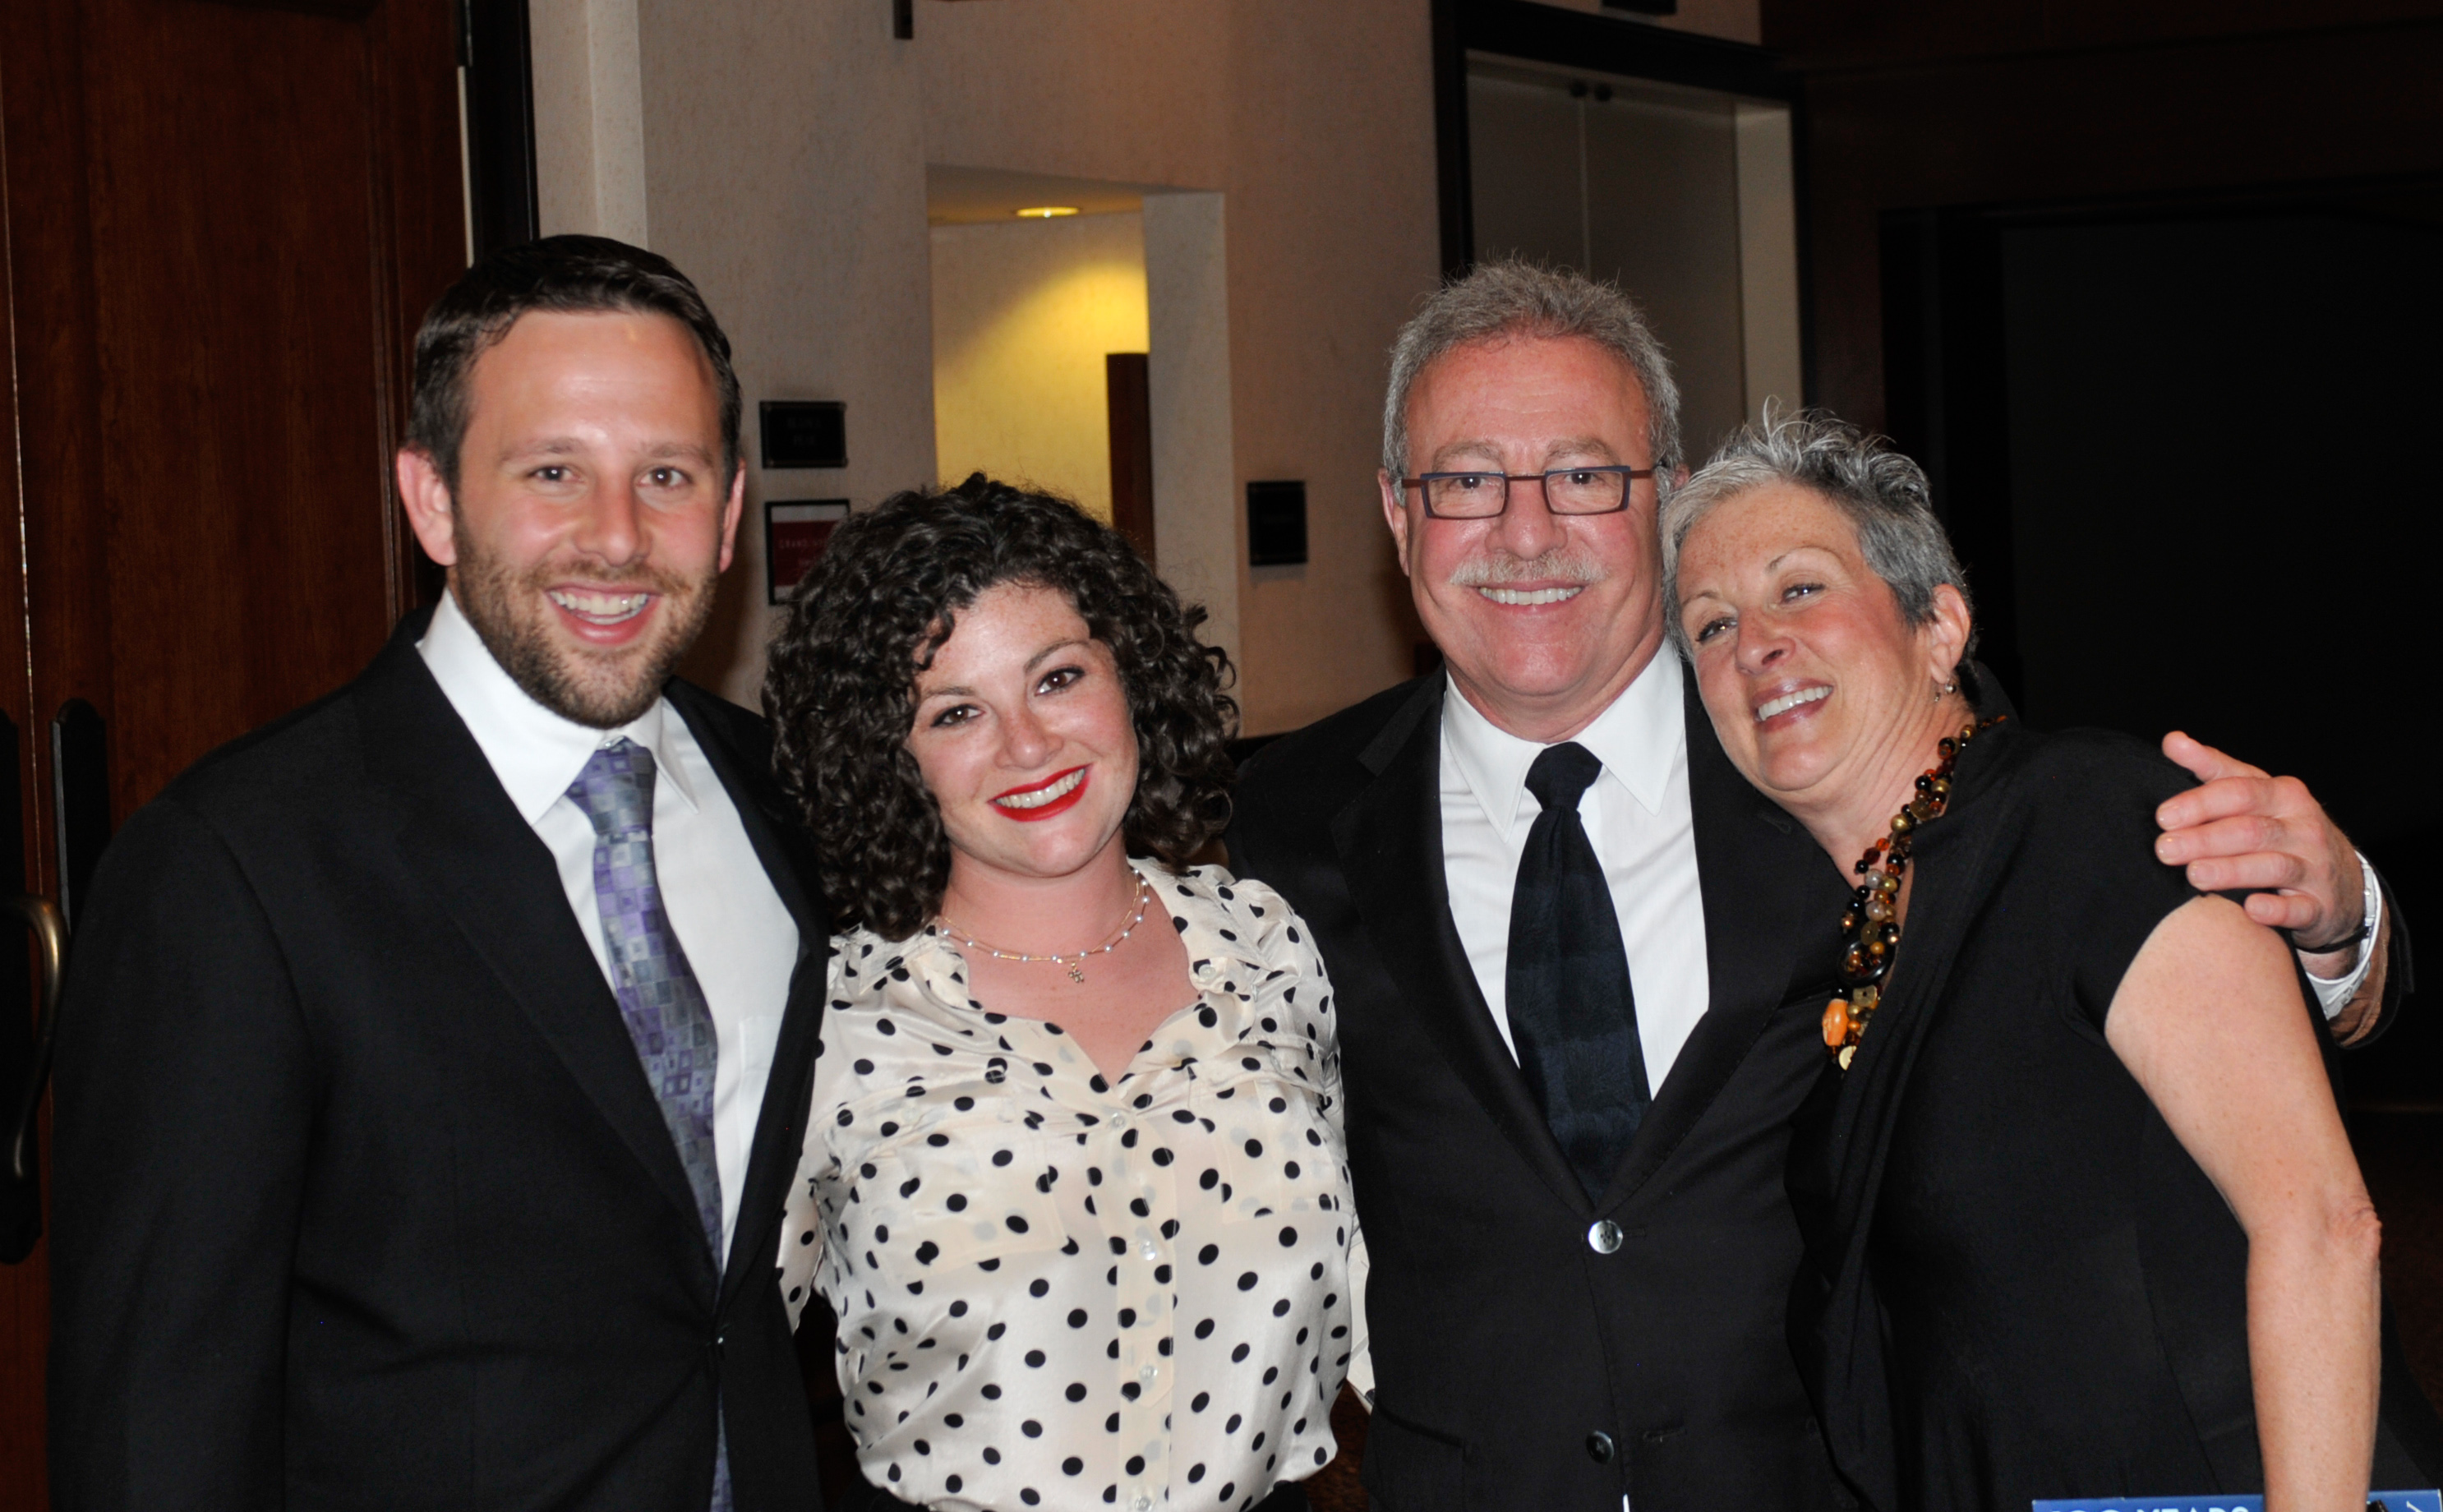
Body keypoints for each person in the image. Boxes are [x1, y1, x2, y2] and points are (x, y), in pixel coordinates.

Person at [1224, 260, 2407, 1510]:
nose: (1526, 532)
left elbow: (2108, 956)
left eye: (1583, 475)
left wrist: (2341, 926)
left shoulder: (1841, 758)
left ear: (1663, 501)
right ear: (1398, 515)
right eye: (1466, 481)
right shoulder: (1285, 825)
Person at [48, 237, 828, 1510]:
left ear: (731, 511)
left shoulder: (787, 805)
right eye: (554, 472)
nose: (618, 538)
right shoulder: (235, 867)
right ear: (431, 500)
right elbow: (154, 1425)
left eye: (668, 475)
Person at [1662, 408, 2441, 1510]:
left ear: (1939, 626)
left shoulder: (2089, 819)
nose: (1756, 643)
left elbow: (2319, 1227)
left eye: (1799, 588)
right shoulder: (1848, 942)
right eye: (1709, 626)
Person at [763, 477, 1360, 1512]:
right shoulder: (831, 1020)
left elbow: (1382, 1291)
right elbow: (711, 1354)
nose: (1027, 745)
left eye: (1057, 678)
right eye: (956, 711)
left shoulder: (1269, 946)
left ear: (1130, 674)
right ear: (891, 759)